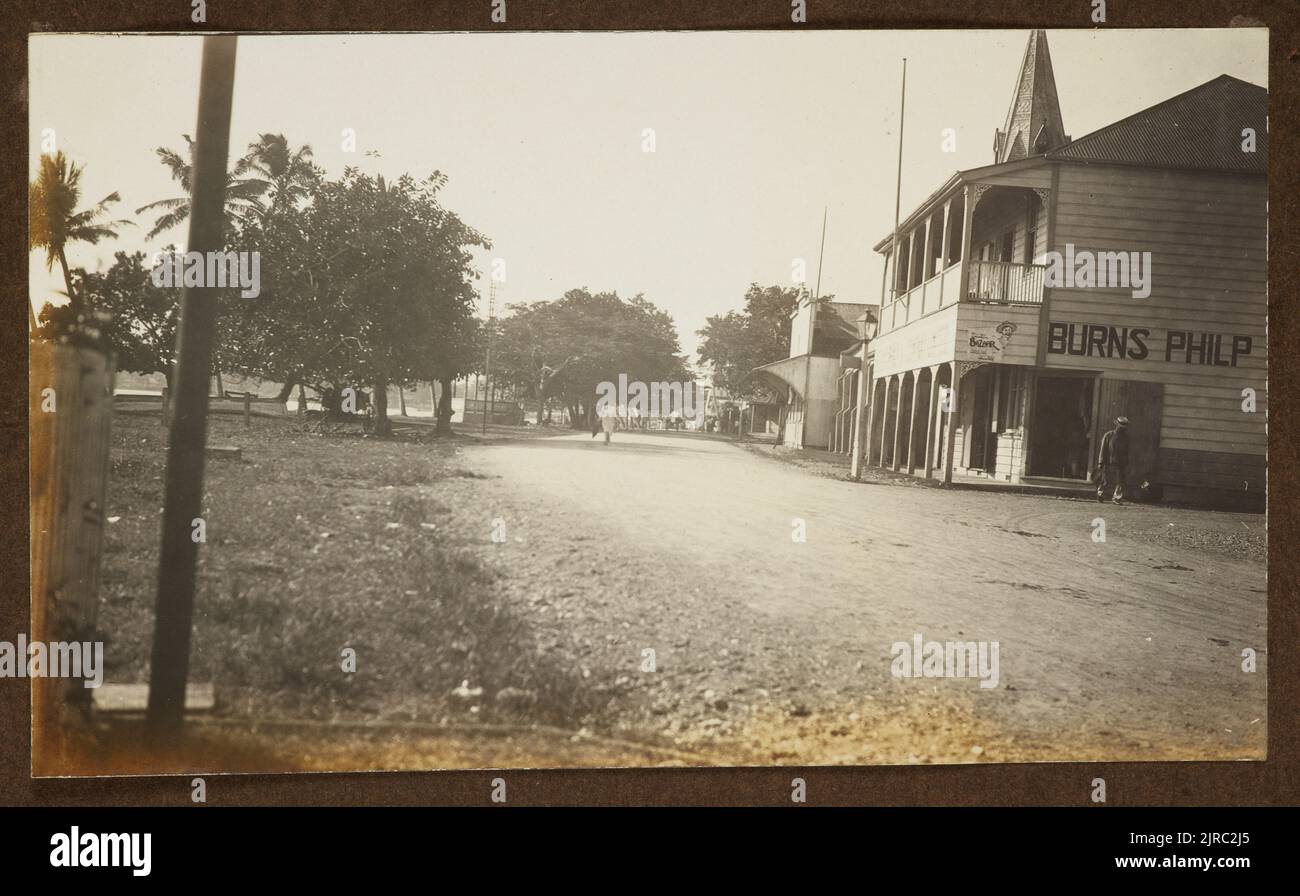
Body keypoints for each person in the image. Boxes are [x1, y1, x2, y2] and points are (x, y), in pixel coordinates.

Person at [1096, 416, 1131, 504]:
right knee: (1105, 480)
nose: (1122, 429)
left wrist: (1126, 462)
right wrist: (1101, 462)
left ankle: (1117, 498)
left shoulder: (1126, 438)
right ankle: (1100, 494)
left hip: (1120, 463)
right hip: (1108, 462)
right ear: (1116, 425)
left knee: (1120, 481)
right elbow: (1103, 449)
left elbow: (1126, 451)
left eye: (1124, 427)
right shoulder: (1108, 435)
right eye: (1121, 426)